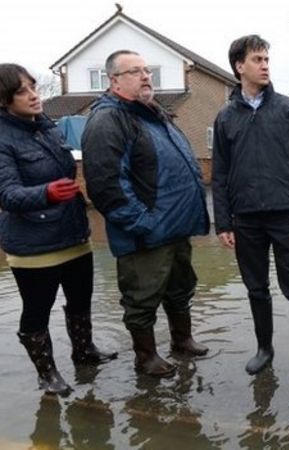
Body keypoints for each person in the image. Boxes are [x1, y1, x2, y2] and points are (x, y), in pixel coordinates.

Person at [0, 63, 117, 396]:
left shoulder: (48, 129)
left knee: (81, 298)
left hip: (71, 233)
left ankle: (84, 351)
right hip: (33, 244)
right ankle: (47, 373)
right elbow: (5, 194)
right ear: (3, 98)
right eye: (22, 91)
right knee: (37, 309)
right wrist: (46, 193)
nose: (33, 95)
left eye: (33, 87)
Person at [81, 50, 210, 378]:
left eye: (147, 70)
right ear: (114, 80)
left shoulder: (154, 114)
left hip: (176, 228)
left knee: (181, 288)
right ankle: (146, 356)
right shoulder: (108, 120)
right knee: (142, 298)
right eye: (135, 71)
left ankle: (182, 341)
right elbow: (106, 184)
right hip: (146, 233)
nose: (146, 76)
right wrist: (143, 223)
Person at [212, 35, 289, 389]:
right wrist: (224, 221)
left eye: (266, 59)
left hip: (284, 216)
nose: (265, 65)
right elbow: (220, 173)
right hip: (246, 219)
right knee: (256, 287)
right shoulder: (225, 117)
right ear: (239, 67)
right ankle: (265, 349)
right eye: (257, 59)